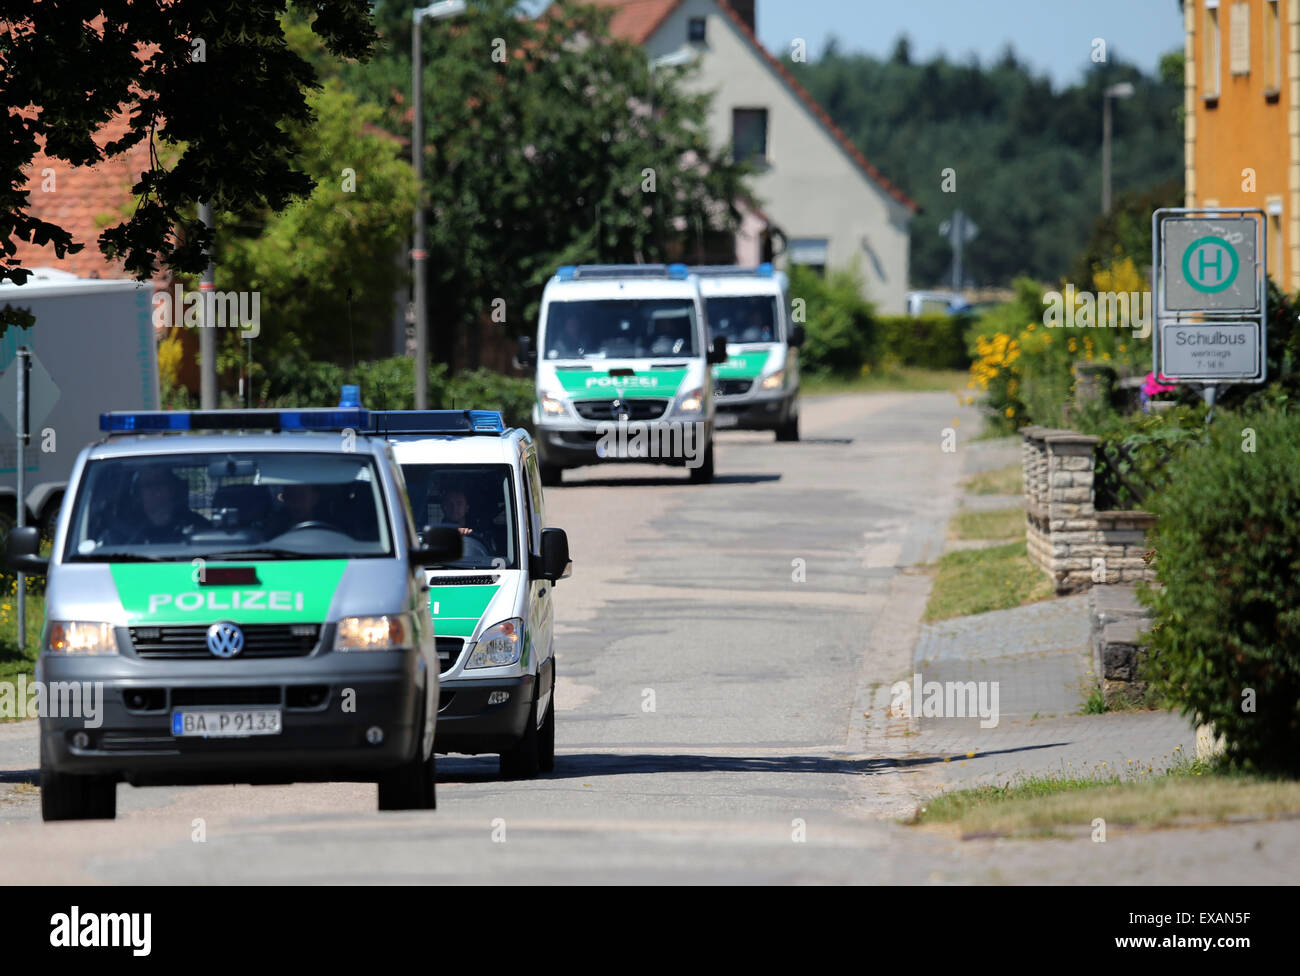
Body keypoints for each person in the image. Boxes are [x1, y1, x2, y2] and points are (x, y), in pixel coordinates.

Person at [122, 467, 210, 544]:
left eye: (160, 483)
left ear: (172, 489)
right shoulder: (125, 529)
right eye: (148, 485)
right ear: (138, 493)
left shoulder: (198, 525)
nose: (155, 490)